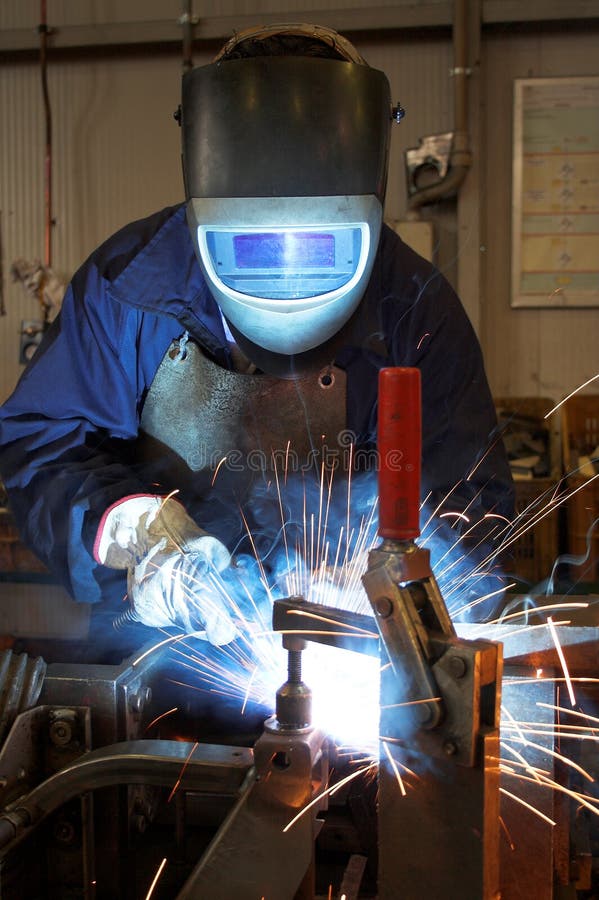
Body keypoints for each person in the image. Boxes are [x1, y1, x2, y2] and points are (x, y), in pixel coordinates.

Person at [0, 24, 514, 661]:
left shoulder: (414, 309)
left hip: (350, 658)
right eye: (254, 254)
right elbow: (43, 445)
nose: (288, 281)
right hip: (159, 657)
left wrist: (387, 588)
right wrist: (141, 534)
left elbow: (473, 510)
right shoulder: (126, 290)